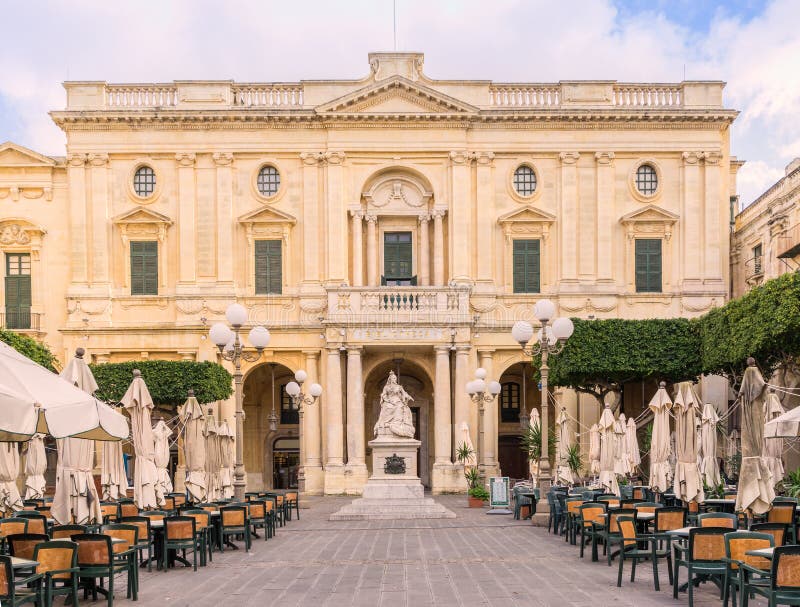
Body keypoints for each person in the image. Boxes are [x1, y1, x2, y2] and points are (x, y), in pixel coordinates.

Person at [374, 371, 415, 438]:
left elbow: (404, 393)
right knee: (387, 407)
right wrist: (388, 400)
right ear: (390, 379)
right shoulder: (386, 387)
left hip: (398, 401)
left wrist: (408, 397)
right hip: (389, 401)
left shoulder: (399, 387)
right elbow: (384, 395)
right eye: (393, 378)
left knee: (400, 407)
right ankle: (387, 423)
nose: (394, 379)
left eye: (395, 378)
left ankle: (397, 424)